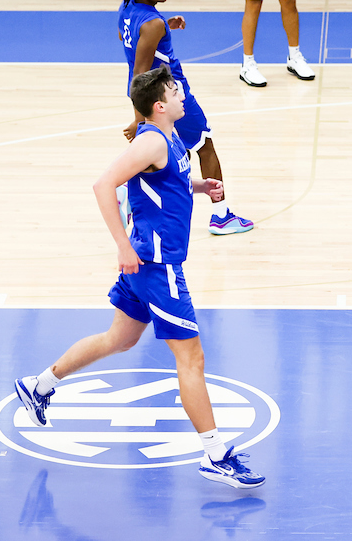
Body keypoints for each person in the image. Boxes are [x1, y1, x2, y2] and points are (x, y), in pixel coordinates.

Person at [14, 65, 266, 489]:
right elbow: (102, 185)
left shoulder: (170, 139)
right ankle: (215, 454)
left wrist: (201, 187)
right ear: (159, 105)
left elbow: (168, 183)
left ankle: (39, 385)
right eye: (173, 88)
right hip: (157, 265)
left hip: (148, 263)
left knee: (120, 339)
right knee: (192, 358)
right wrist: (122, 245)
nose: (181, 90)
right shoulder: (150, 141)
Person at [112, 0, 253, 236]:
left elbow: (124, 37)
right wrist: (140, 121)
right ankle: (221, 216)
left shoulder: (128, 7)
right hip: (171, 95)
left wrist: (164, 27)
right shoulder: (152, 24)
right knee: (204, 145)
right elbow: (139, 75)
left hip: (157, 97)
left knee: (172, 152)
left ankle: (136, 196)